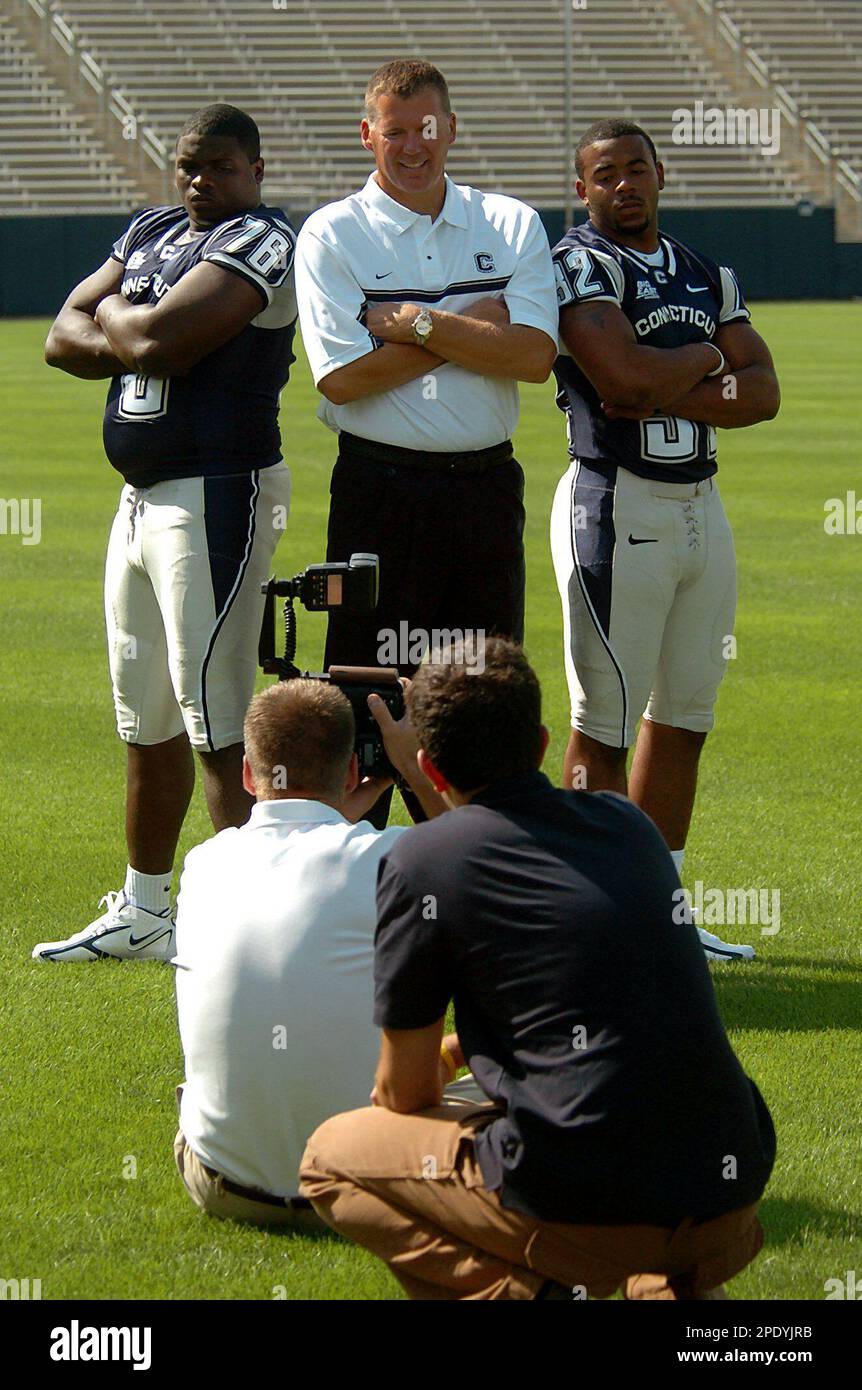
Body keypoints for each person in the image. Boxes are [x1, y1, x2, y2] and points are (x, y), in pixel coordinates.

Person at [299, 638, 777, 1300]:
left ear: (430, 769)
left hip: (590, 1203)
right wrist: (468, 1049)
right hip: (731, 1192)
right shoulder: (625, 825)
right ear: (544, 739)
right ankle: (672, 1288)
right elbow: (598, 1000)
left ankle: (538, 1293)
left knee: (331, 1157)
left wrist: (440, 1061)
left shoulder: (421, 863)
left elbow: (404, 1095)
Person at [33, 105, 297, 963]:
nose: (199, 182)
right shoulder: (152, 228)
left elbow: (157, 338)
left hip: (217, 492)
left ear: (255, 170)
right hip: (141, 501)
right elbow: (57, 338)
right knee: (144, 715)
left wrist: (123, 320)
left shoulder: (262, 240)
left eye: (219, 167)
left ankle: (254, 932)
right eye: (188, 166)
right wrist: (128, 328)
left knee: (216, 719)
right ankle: (147, 911)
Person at [294, 59, 558, 824]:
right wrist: (482, 326)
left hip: (484, 489)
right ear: (367, 133)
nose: (414, 146)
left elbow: (536, 357)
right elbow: (342, 379)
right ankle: (362, 892)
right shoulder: (333, 232)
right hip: (380, 491)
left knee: (483, 689)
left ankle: (481, 874)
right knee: (370, 687)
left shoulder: (509, 221)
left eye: (428, 128)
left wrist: (415, 322)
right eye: (396, 130)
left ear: (452, 128)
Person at [548, 119, 780, 962]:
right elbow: (620, 380)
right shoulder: (580, 261)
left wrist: (667, 370)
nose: (623, 185)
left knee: (683, 717)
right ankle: (594, 913)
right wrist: (701, 359)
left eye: (636, 169)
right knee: (602, 725)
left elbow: (763, 391)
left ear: (658, 174)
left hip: (698, 509)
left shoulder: (703, 269)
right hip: (615, 503)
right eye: (604, 174)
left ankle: (662, 914)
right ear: (583, 190)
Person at [173, 676, 478, 1227]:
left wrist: (339, 806)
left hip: (223, 1185)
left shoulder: (203, 864)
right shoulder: (393, 857)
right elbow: (492, 864)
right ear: (350, 772)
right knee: (513, 1077)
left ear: (247, 773)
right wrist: (412, 766)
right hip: (369, 1189)